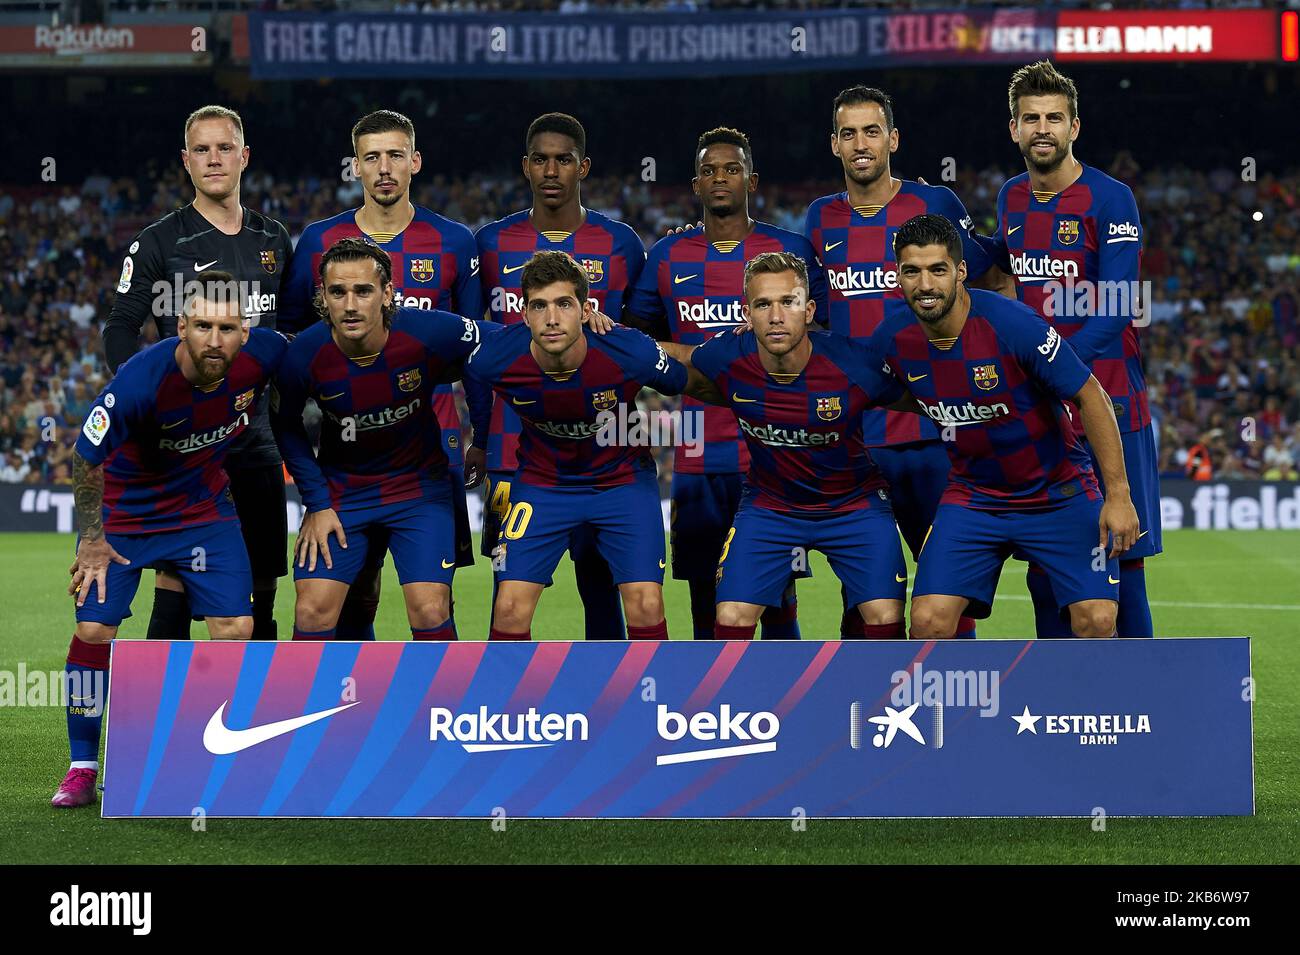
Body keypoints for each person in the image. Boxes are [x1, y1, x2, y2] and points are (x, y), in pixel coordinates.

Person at [53, 273, 287, 808]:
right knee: (93, 627)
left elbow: (316, 355)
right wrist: (91, 540)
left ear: (245, 332)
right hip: (126, 520)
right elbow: (83, 458)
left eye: (227, 328)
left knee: (236, 628)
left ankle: (207, 749)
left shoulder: (266, 356)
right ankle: (83, 767)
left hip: (203, 512)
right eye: (202, 325)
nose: (214, 339)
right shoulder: (140, 381)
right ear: (181, 326)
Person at [804, 86, 1015, 639]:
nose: (860, 143)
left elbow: (994, 276)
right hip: (853, 437)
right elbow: (814, 316)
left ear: (893, 139)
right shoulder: (820, 219)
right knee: (864, 596)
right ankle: (863, 713)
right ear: (834, 144)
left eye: (871, 131)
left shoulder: (935, 206)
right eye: (848, 133)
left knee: (947, 594)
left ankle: (956, 711)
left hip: (932, 433)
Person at [873, 215, 1140, 640]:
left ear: (960, 271)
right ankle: (947, 708)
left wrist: (1119, 496)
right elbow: (866, 385)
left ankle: (1085, 706)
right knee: (927, 621)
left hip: (1059, 493)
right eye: (912, 271)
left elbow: (1092, 396)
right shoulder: (891, 337)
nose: (925, 285)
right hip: (974, 498)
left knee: (1097, 620)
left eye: (937, 270)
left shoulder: (1013, 324)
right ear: (897, 275)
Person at [278, 109, 484, 641]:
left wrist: (484, 439)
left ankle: (441, 717)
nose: (385, 168)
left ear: (415, 161)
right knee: (355, 591)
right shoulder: (320, 244)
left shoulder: (455, 242)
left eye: (396, 155)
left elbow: (480, 353)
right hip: (347, 449)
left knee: (431, 599)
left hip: (429, 446)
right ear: (357, 167)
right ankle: (347, 709)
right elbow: (294, 351)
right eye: (372, 157)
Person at [622, 127, 827, 640]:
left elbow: (823, 333)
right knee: (703, 598)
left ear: (751, 180)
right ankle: (710, 710)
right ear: (695, 183)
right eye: (710, 170)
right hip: (697, 455)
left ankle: (789, 701)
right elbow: (639, 339)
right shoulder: (669, 255)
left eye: (731, 169)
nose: (720, 178)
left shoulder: (789, 250)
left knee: (778, 596)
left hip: (774, 451)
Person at [102, 105, 292, 641]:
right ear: (185, 161)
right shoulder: (160, 242)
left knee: (261, 582)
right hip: (182, 444)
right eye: (202, 150)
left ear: (244, 156)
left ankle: (257, 712)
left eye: (224, 147)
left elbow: (294, 334)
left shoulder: (273, 239)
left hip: (254, 438)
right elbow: (120, 327)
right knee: (176, 583)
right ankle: (166, 719)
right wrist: (144, 393)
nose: (214, 159)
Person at [989, 60, 1161, 638]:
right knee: (1046, 565)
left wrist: (1052, 367)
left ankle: (1144, 711)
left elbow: (1115, 307)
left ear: (1074, 127)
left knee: (1123, 557)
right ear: (1013, 128)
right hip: (1043, 414)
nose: (1043, 128)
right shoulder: (1010, 198)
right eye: (1030, 118)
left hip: (1110, 403)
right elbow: (997, 270)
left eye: (1054, 118)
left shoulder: (1112, 199)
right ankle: (1058, 707)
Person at [658, 251, 909, 640]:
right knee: (731, 613)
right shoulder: (727, 354)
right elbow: (675, 356)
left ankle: (879, 699)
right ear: (747, 313)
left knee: (884, 613)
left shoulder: (855, 364)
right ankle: (735, 701)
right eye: (763, 304)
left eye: (788, 302)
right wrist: (600, 332)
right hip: (770, 507)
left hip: (853, 505)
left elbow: (923, 395)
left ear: (808, 310)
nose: (776, 316)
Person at [475, 113, 646, 639]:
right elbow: (476, 349)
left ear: (583, 167)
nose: (552, 170)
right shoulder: (490, 243)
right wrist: (481, 440)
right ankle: (499, 709)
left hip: (604, 451)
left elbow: (639, 343)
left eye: (564, 159)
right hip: (512, 453)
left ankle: (611, 706)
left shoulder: (621, 245)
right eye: (541, 159)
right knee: (507, 588)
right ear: (526, 166)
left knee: (600, 583)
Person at [465, 251, 685, 642]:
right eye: (539, 306)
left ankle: (651, 700)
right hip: (543, 485)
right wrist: (479, 444)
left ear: (585, 310)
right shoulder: (494, 359)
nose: (552, 318)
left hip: (622, 483)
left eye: (564, 304)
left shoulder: (627, 351)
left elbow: (685, 378)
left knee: (647, 603)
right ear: (524, 312)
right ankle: (506, 703)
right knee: (510, 607)